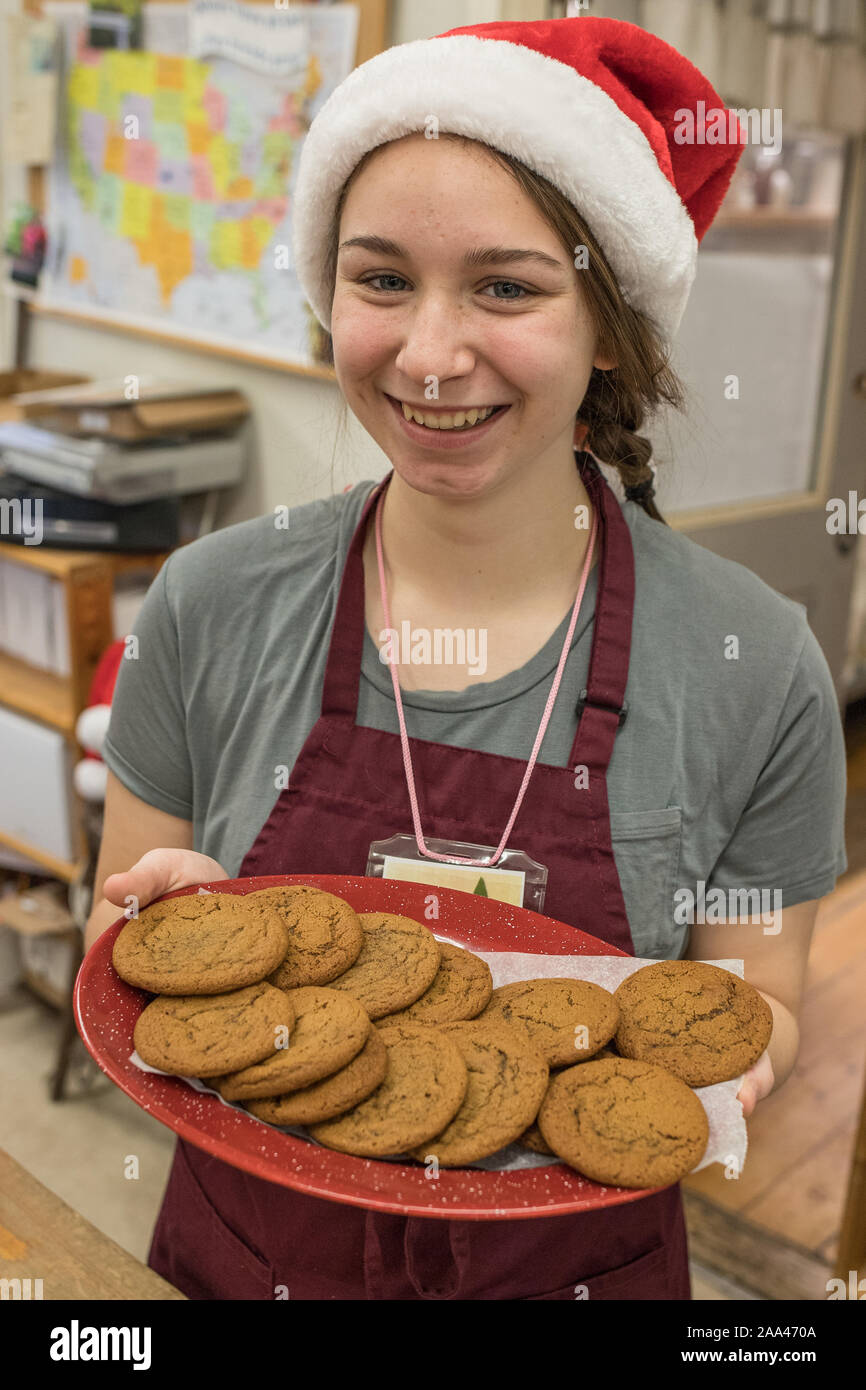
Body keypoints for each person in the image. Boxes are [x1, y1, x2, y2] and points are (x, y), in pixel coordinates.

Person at [85, 15, 847, 1300]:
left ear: (610, 328)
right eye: (380, 280)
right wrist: (155, 923)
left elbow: (752, 999)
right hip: (248, 1260)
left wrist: (734, 1057)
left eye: (506, 286)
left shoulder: (754, 667)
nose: (430, 355)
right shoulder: (206, 604)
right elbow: (124, 967)